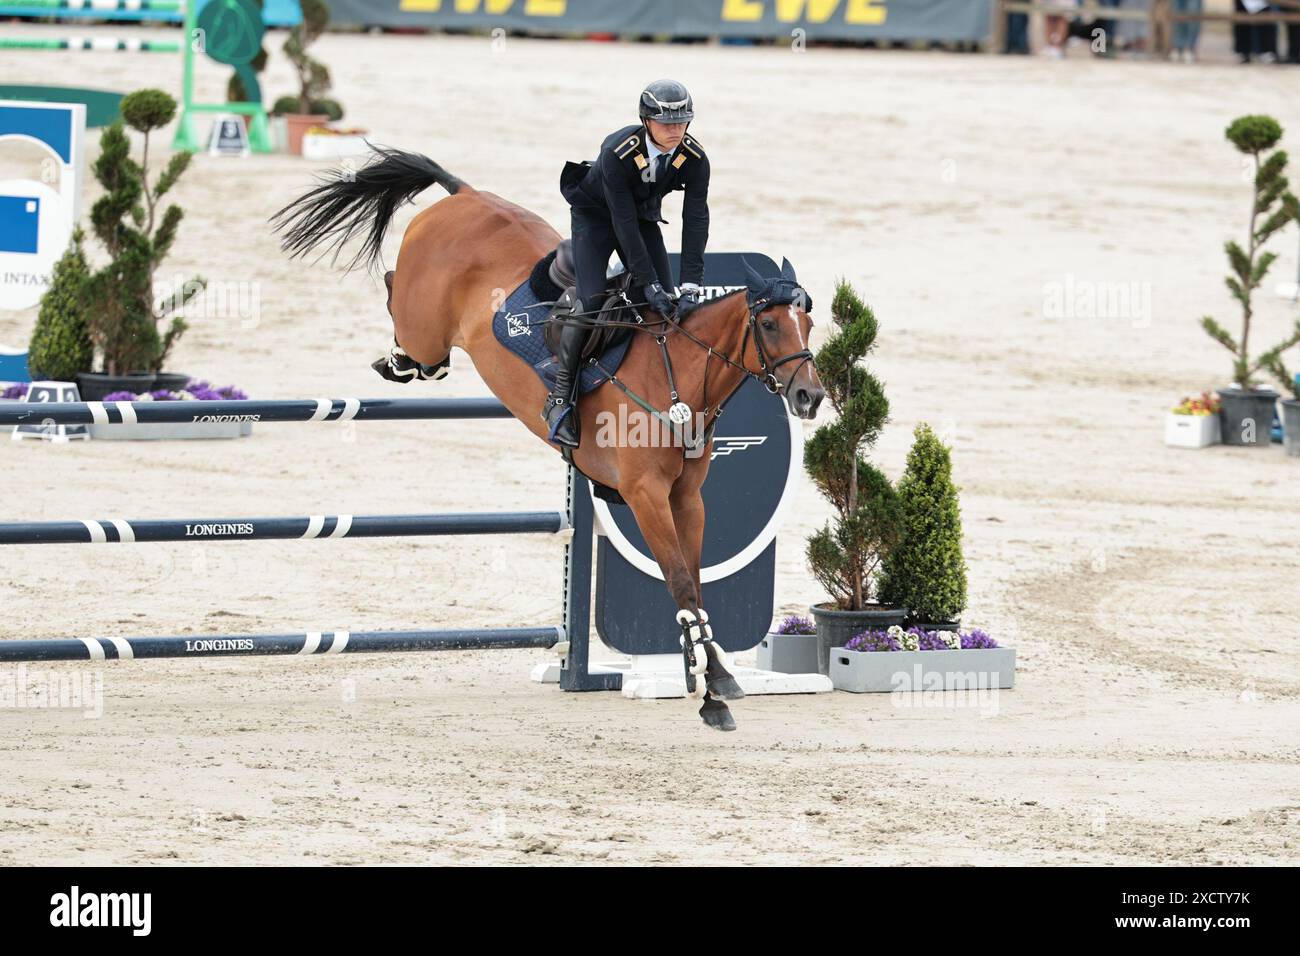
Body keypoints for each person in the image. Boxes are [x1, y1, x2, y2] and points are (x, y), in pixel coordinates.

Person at [549, 79, 711, 449]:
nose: (676, 130)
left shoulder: (695, 159)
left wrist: (690, 284)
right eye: (667, 123)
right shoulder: (618, 151)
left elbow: (696, 218)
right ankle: (561, 397)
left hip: (640, 216)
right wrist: (646, 279)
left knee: (664, 301)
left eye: (683, 122)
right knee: (590, 303)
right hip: (597, 217)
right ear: (645, 120)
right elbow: (620, 224)